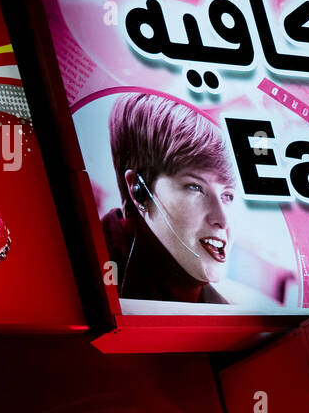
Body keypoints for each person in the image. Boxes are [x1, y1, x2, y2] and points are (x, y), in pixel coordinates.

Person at [101, 93, 235, 303]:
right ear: (138, 189)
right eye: (195, 187)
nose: (223, 220)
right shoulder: (82, 271)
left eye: (227, 195)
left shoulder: (222, 309)